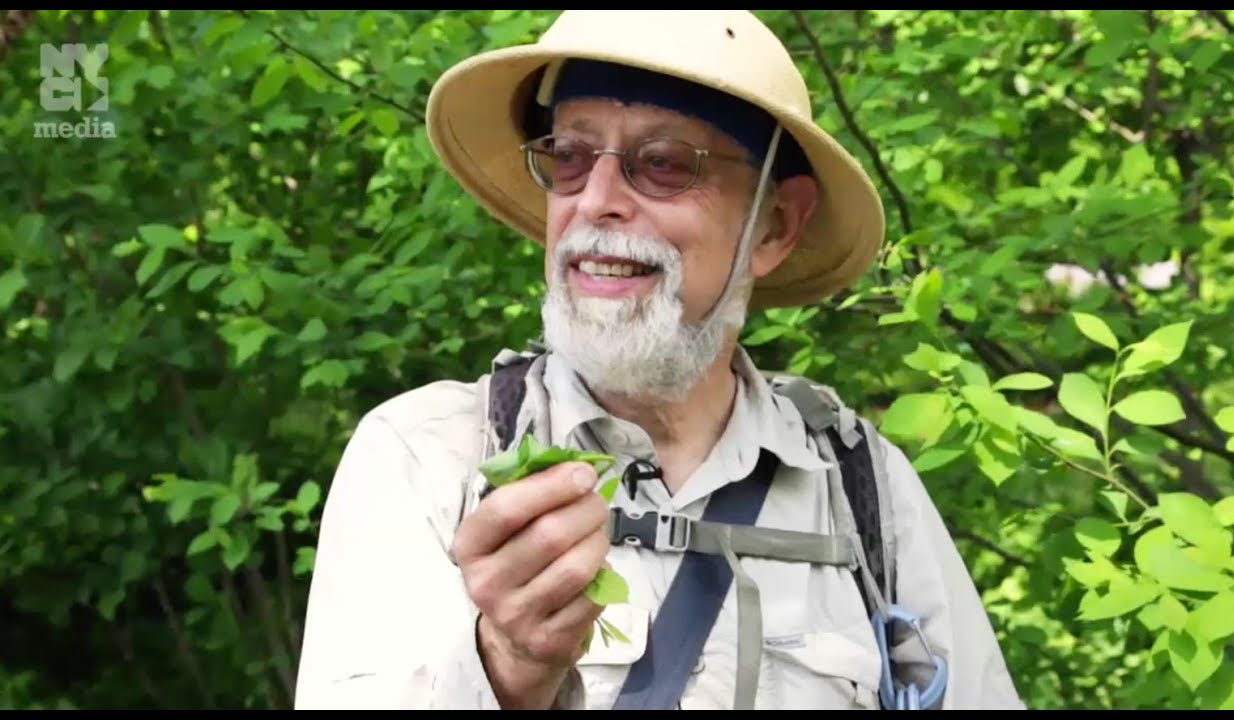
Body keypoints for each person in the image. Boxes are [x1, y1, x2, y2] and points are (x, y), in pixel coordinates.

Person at [293, 9, 1024, 711]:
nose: (597, 201)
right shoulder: (433, 458)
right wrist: (508, 668)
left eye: (665, 163)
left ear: (773, 225)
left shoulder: (859, 487)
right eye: (570, 158)